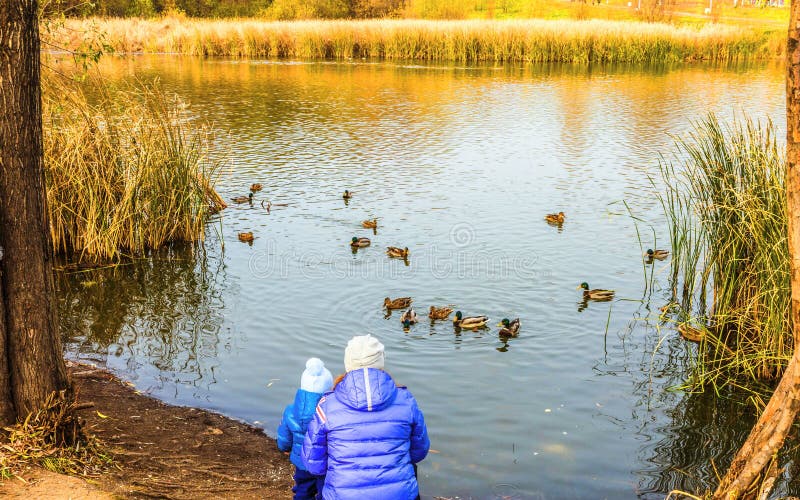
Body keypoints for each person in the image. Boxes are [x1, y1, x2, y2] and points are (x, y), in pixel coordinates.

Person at [302, 334, 430, 499]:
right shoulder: (406, 401)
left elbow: (313, 462)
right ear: (381, 362)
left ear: (348, 363)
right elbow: (419, 451)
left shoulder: (327, 406)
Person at [277, 357, 334, 500]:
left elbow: (284, 438)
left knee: (303, 489)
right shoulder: (331, 413)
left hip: (302, 461)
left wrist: (285, 448)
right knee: (324, 492)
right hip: (324, 465)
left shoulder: (291, 411)